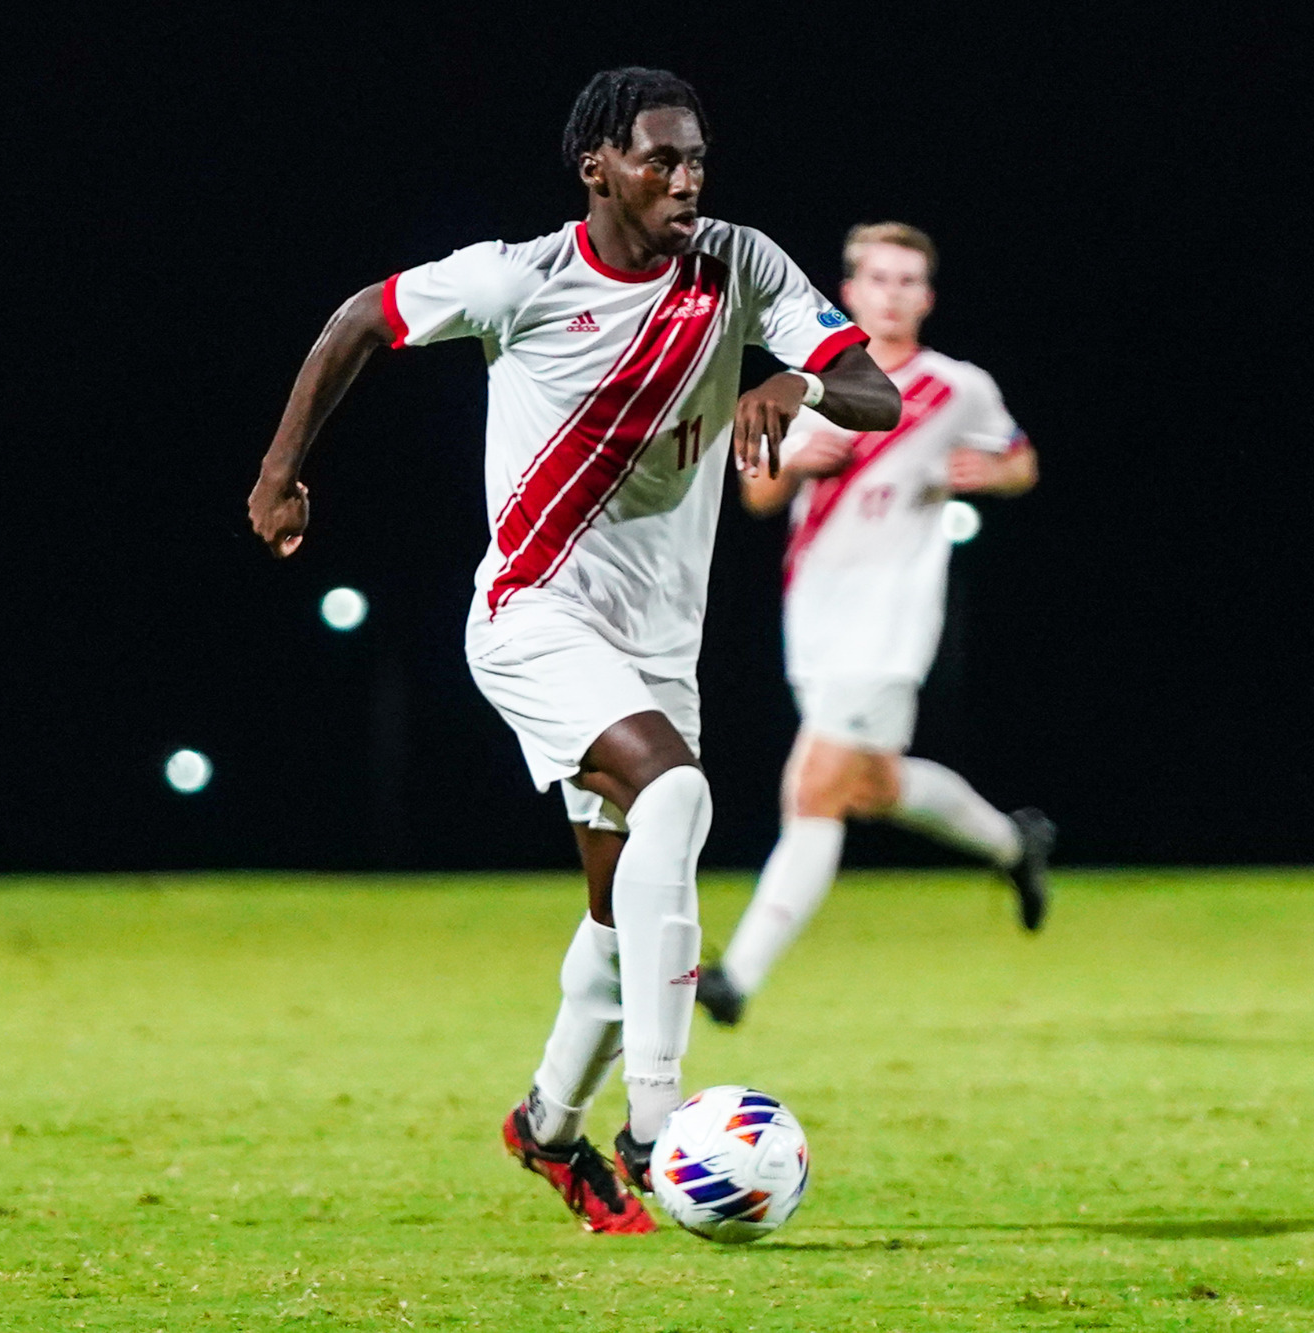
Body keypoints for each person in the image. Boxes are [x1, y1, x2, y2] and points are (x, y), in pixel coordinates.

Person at [246, 68, 899, 1230]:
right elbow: (359, 317)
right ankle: (656, 1127)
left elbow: (872, 392)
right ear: (596, 168)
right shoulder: (520, 276)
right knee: (680, 796)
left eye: (696, 158)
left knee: (619, 913)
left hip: (659, 645)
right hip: (533, 616)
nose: (686, 179)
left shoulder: (737, 265)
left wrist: (791, 379)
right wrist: (279, 471)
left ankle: (545, 1127)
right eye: (660, 159)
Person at [695, 222, 1054, 1029]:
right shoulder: (806, 387)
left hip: (892, 621)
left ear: (926, 297)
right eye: (877, 279)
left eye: (907, 281)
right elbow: (755, 497)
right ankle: (1012, 844)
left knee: (814, 788)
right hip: (815, 616)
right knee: (876, 785)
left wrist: (991, 472)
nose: (891, 294)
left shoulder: (954, 387)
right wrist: (790, 465)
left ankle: (737, 978)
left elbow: (1021, 460)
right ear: (847, 292)